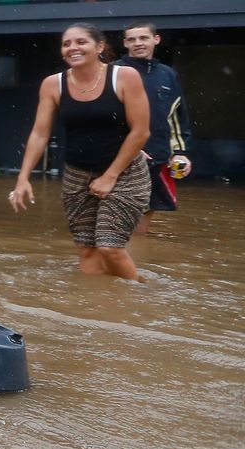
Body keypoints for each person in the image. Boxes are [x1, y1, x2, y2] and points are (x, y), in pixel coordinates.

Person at [10, 23, 150, 279]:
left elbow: (140, 131)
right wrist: (23, 178)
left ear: (99, 47)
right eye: (67, 44)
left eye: (81, 42)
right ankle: (97, 306)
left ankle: (135, 301)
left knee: (110, 247)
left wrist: (110, 176)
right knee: (87, 250)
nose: (73, 47)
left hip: (125, 173)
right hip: (77, 174)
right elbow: (40, 133)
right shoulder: (53, 85)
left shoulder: (125, 76)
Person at [118, 22, 194, 234]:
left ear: (156, 39)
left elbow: (177, 117)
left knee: (142, 223)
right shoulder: (113, 71)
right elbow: (106, 118)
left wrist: (180, 153)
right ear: (125, 43)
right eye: (132, 39)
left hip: (159, 157)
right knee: (118, 221)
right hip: (122, 158)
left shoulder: (168, 74)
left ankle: (139, 262)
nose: (138, 43)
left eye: (143, 38)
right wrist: (129, 147)